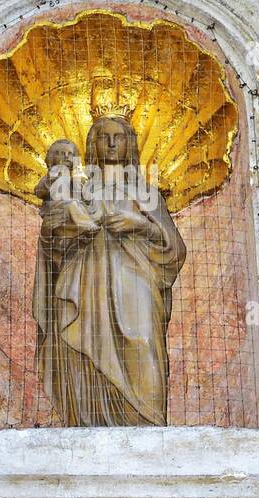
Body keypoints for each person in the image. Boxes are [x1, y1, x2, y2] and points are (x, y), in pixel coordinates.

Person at [32, 116, 186, 427]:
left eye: (120, 137)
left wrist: (139, 224)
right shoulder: (79, 190)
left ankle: (147, 432)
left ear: (131, 144)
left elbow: (175, 249)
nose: (113, 143)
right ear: (93, 145)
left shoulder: (147, 193)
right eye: (105, 137)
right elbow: (53, 244)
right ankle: (87, 426)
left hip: (136, 285)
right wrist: (69, 229)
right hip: (84, 282)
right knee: (82, 349)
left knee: (142, 347)